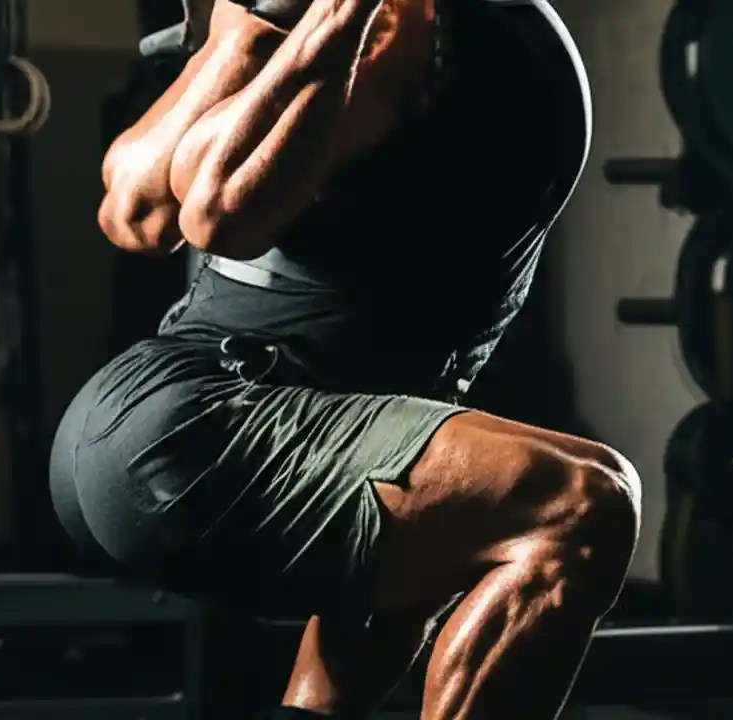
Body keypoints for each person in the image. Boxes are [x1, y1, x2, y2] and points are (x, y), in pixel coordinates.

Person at [49, 0, 642, 717]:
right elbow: (157, 214)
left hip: (166, 433)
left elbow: (182, 214)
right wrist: (247, 29)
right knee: (586, 504)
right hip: (192, 429)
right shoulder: (337, 37)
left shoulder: (417, 33)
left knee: (450, 551)